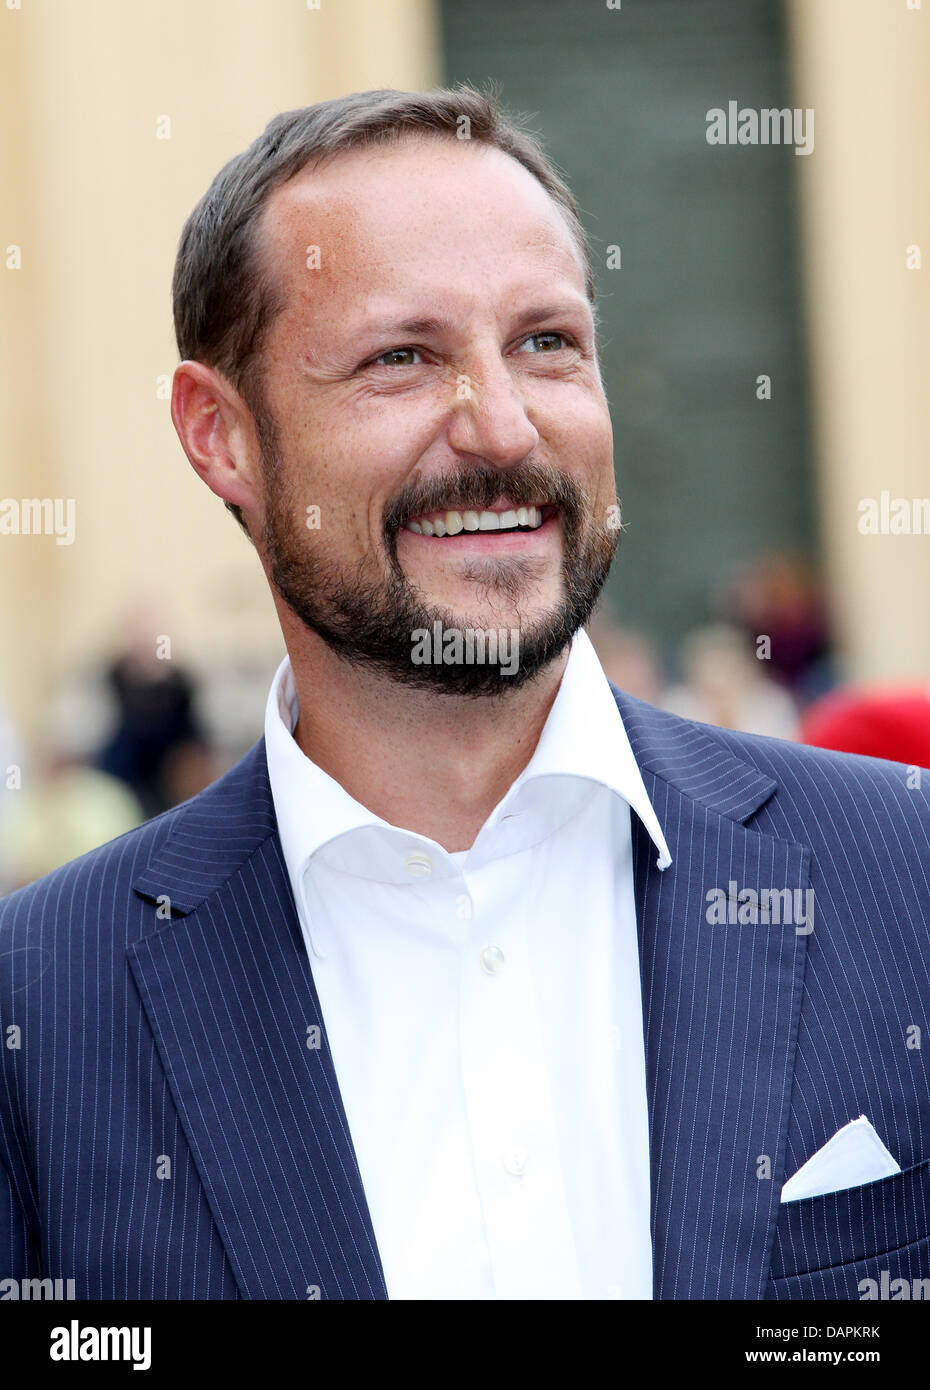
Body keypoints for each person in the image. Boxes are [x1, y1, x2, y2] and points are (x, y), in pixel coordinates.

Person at [2, 87, 928, 1302]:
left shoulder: (903, 875)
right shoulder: (41, 1014)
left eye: (548, 342)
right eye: (402, 357)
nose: (501, 428)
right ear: (220, 434)